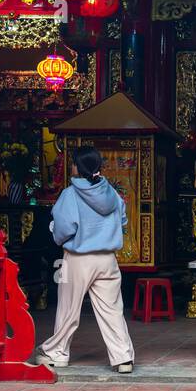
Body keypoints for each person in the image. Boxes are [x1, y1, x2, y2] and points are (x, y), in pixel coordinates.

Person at [36, 146, 135, 373]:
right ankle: (123, 358)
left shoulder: (70, 194)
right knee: (112, 310)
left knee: (68, 308)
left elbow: (63, 229)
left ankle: (57, 353)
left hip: (78, 259)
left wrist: (54, 229)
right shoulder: (111, 193)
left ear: (77, 167)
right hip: (108, 259)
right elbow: (122, 222)